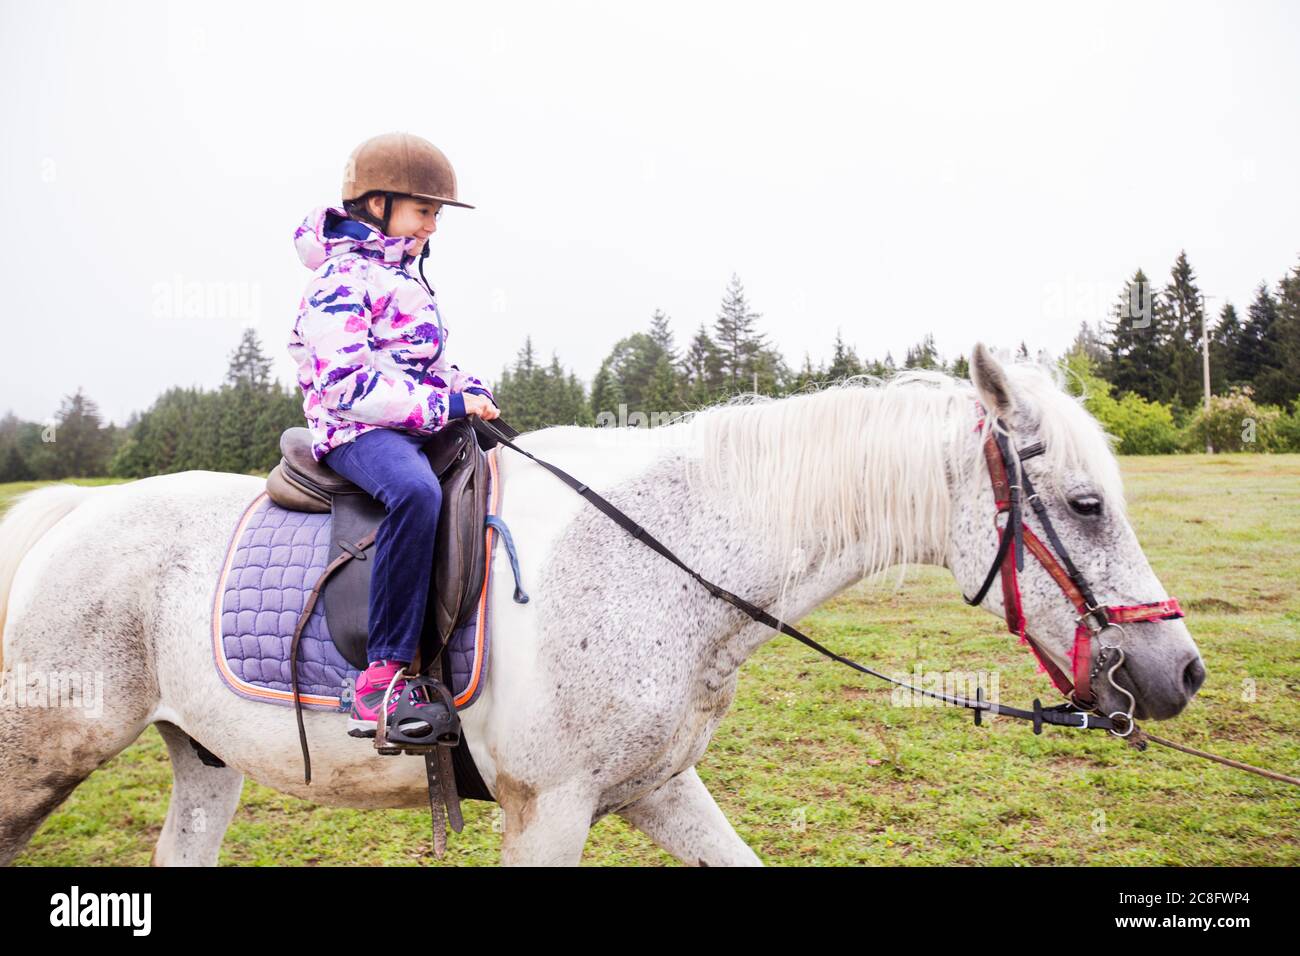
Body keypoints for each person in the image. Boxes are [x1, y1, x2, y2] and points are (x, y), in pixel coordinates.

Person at [287, 131, 499, 739]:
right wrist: (445, 403)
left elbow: (418, 364)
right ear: (378, 204)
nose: (433, 224)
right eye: (425, 210)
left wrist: (466, 387)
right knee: (415, 493)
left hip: (406, 416)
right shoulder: (339, 280)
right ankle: (381, 677)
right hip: (357, 430)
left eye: (435, 213)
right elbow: (349, 388)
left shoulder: (405, 276)